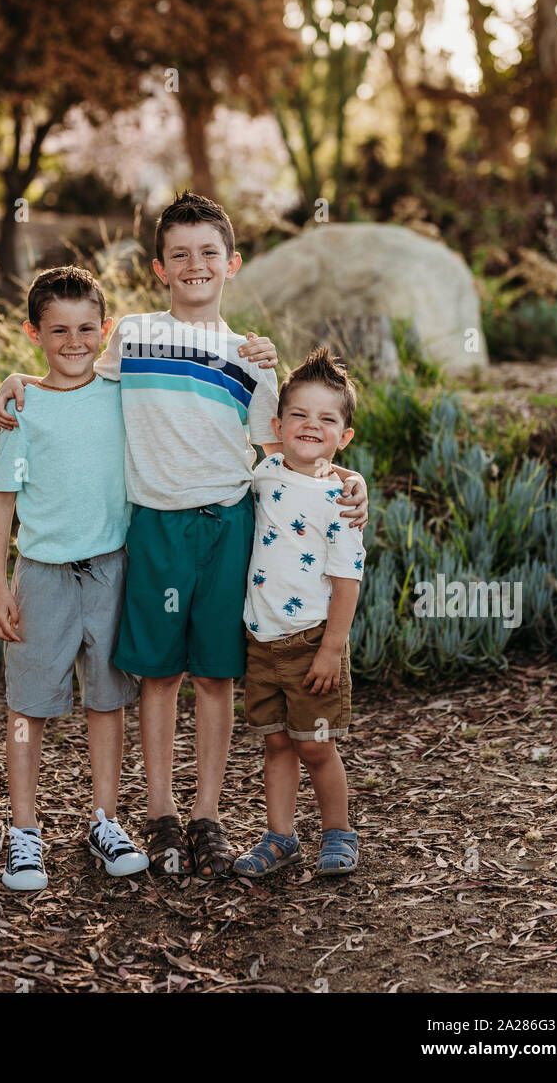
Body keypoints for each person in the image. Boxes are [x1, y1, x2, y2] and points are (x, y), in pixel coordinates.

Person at [0, 191, 368, 878]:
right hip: (156, 530)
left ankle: (207, 817)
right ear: (160, 267)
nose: (194, 264)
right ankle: (160, 814)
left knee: (216, 677)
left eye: (207, 253)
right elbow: (69, 377)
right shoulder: (130, 335)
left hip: (227, 528)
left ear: (231, 264)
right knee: (158, 674)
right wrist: (19, 378)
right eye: (178, 254)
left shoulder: (251, 358)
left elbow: (287, 449)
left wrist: (346, 478)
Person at [0, 265, 149, 890]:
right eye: (59, 331)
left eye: (87, 329)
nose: (74, 342)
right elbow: (0, 501)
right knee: (29, 705)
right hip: (43, 575)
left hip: (112, 570)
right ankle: (24, 832)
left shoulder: (119, 392)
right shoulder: (24, 409)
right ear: (34, 334)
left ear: (105, 331)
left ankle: (105, 821)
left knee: (107, 700)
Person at [233, 346, 364, 879]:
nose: (311, 425)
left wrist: (333, 648)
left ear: (343, 436)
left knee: (317, 746)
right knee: (278, 743)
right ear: (278, 424)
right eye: (299, 415)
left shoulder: (341, 499)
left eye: (326, 419)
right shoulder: (264, 472)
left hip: (312, 643)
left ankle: (339, 831)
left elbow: (346, 581)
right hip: (261, 642)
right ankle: (280, 837)